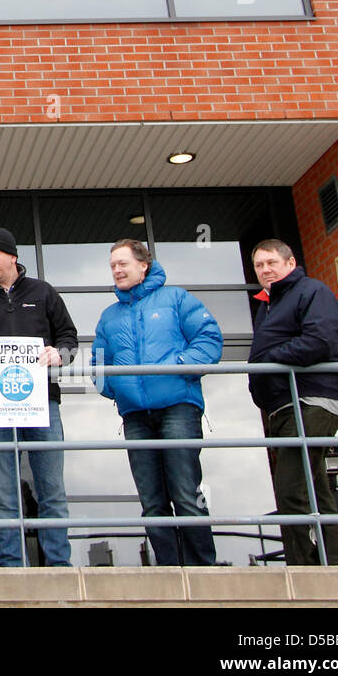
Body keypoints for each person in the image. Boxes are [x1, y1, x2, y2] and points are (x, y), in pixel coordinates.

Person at [92, 239, 222, 566]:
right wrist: (116, 389)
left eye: (122, 263)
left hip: (178, 407)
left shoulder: (176, 298)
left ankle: (204, 572)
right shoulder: (109, 316)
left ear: (143, 265)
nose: (117, 270)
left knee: (186, 494)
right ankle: (170, 571)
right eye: (112, 266)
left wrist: (180, 368)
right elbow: (97, 363)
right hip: (135, 415)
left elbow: (208, 338)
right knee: (152, 501)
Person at [0, 227, 78, 567]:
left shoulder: (44, 292)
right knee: (4, 493)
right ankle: (12, 565)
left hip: (43, 404)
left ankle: (59, 564)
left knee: (51, 488)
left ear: (12, 256)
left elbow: (69, 337)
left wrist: (59, 355)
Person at [249, 239, 338, 566]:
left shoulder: (312, 292)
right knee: (315, 490)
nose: (265, 270)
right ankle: (334, 566)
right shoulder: (267, 305)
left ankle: (305, 570)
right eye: (259, 265)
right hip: (282, 407)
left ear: (290, 263)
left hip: (311, 400)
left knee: (291, 488)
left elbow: (320, 340)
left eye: (271, 263)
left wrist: (271, 363)